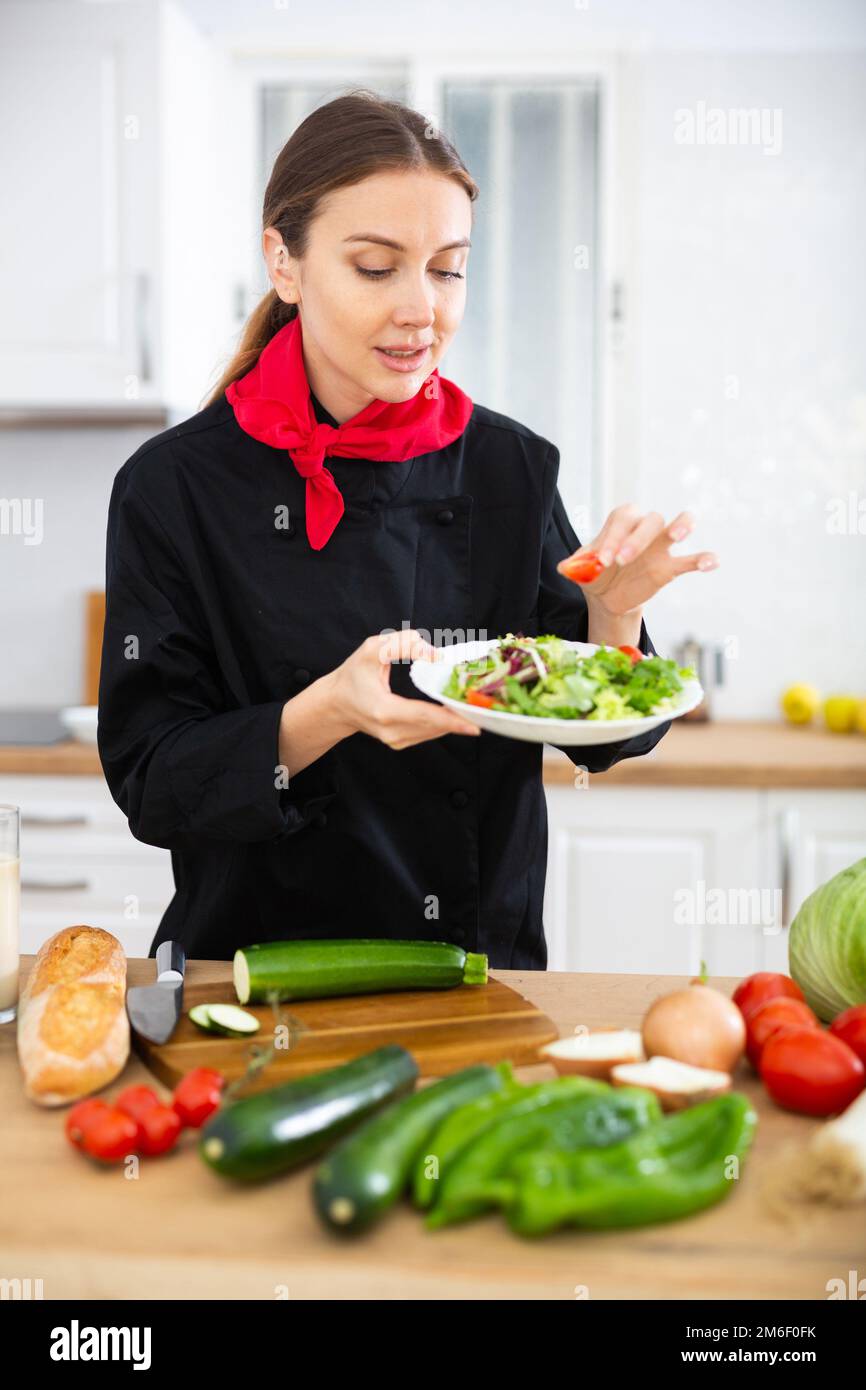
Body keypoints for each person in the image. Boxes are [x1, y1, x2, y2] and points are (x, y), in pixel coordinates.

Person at [97, 91, 718, 969]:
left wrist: (612, 622)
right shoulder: (173, 487)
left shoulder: (509, 467)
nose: (421, 309)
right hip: (247, 975)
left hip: (477, 976)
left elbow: (610, 736)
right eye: (376, 266)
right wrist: (325, 714)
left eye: (447, 268)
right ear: (285, 262)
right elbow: (152, 781)